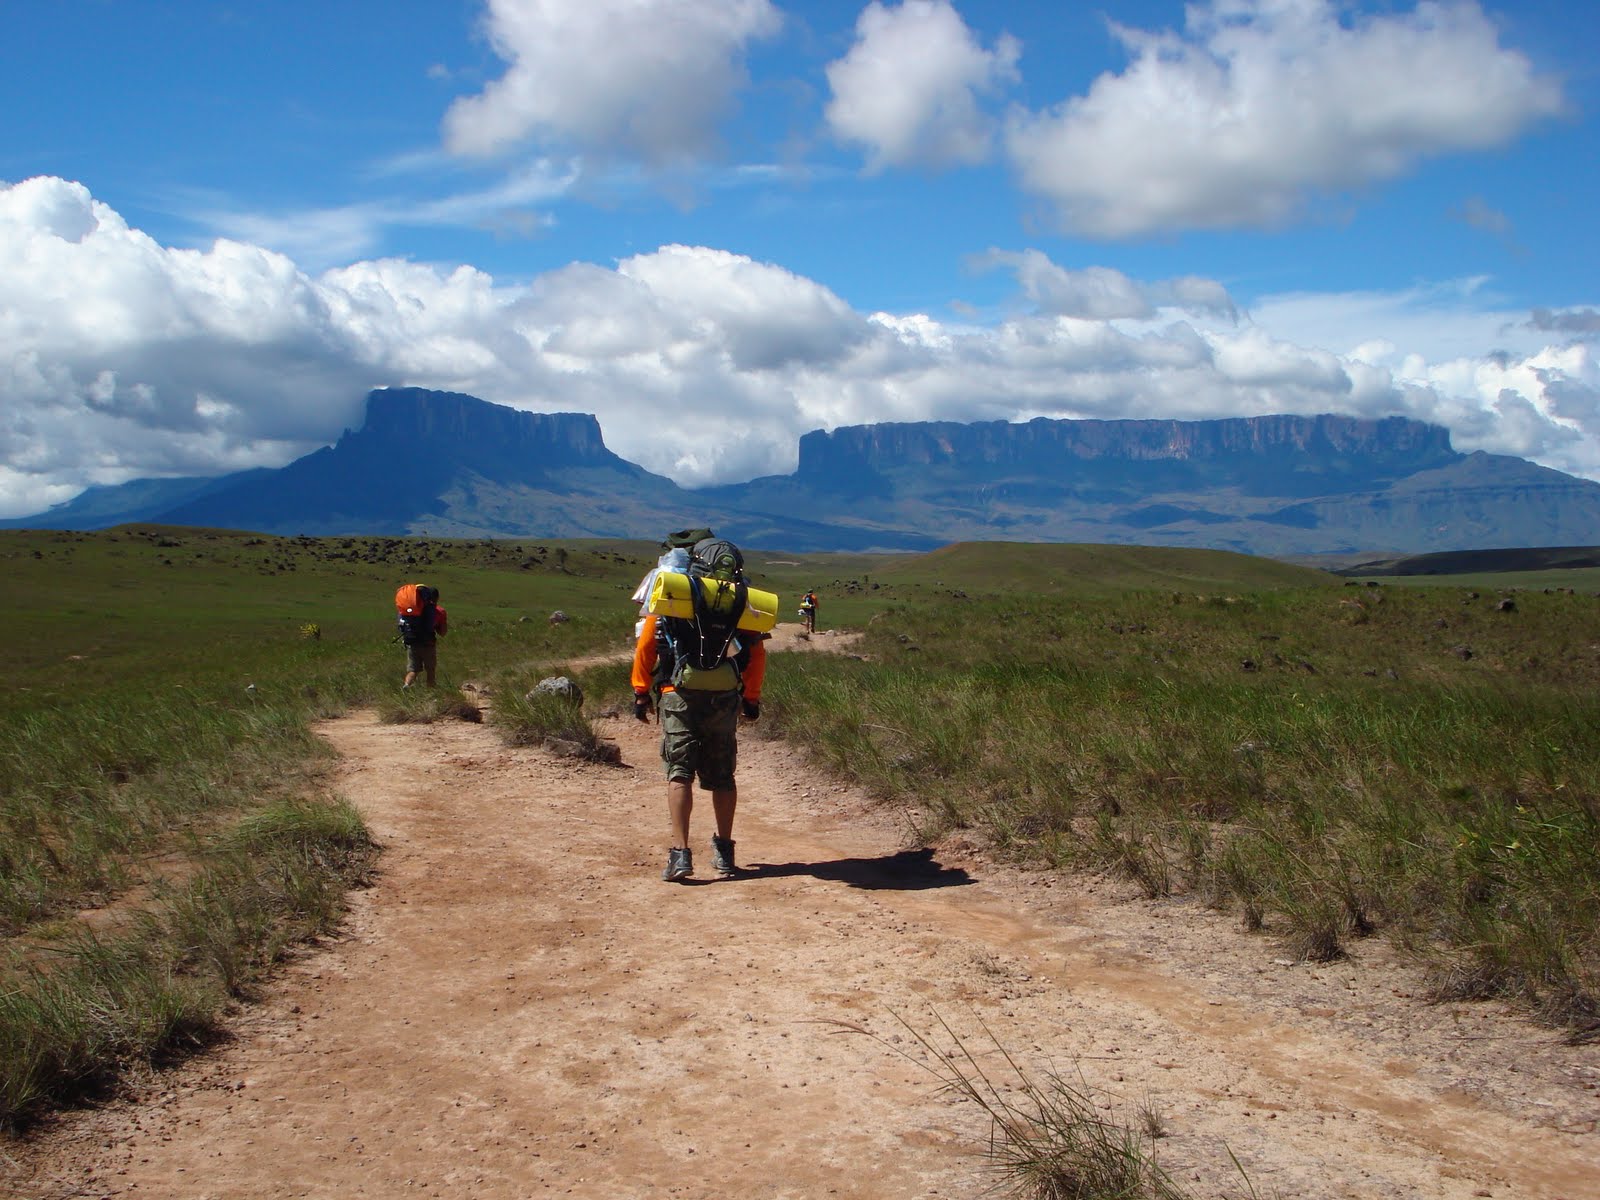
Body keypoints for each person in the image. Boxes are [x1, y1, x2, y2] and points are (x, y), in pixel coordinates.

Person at [632, 572, 767, 883]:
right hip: (724, 696)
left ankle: (680, 854)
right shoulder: (737, 602)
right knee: (722, 774)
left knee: (679, 772)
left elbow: (646, 647)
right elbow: (757, 653)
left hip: (676, 695)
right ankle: (725, 853)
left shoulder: (673, 598)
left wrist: (641, 692)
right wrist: (751, 698)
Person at [400, 586, 447, 688]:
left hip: (412, 642)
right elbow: (442, 633)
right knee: (430, 670)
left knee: (413, 670)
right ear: (436, 598)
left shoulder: (414, 610)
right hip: (428, 643)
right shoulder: (439, 611)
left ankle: (407, 685)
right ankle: (431, 690)